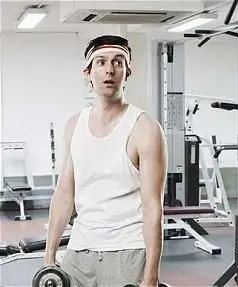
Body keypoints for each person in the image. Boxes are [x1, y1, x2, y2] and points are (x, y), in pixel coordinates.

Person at [44, 35, 167, 287]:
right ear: (87, 72)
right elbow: (65, 194)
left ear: (127, 72)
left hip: (128, 252)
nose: (109, 70)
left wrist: (151, 276)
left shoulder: (145, 129)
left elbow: (153, 206)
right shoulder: (74, 125)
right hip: (78, 252)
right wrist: (49, 255)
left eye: (118, 62)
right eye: (100, 62)